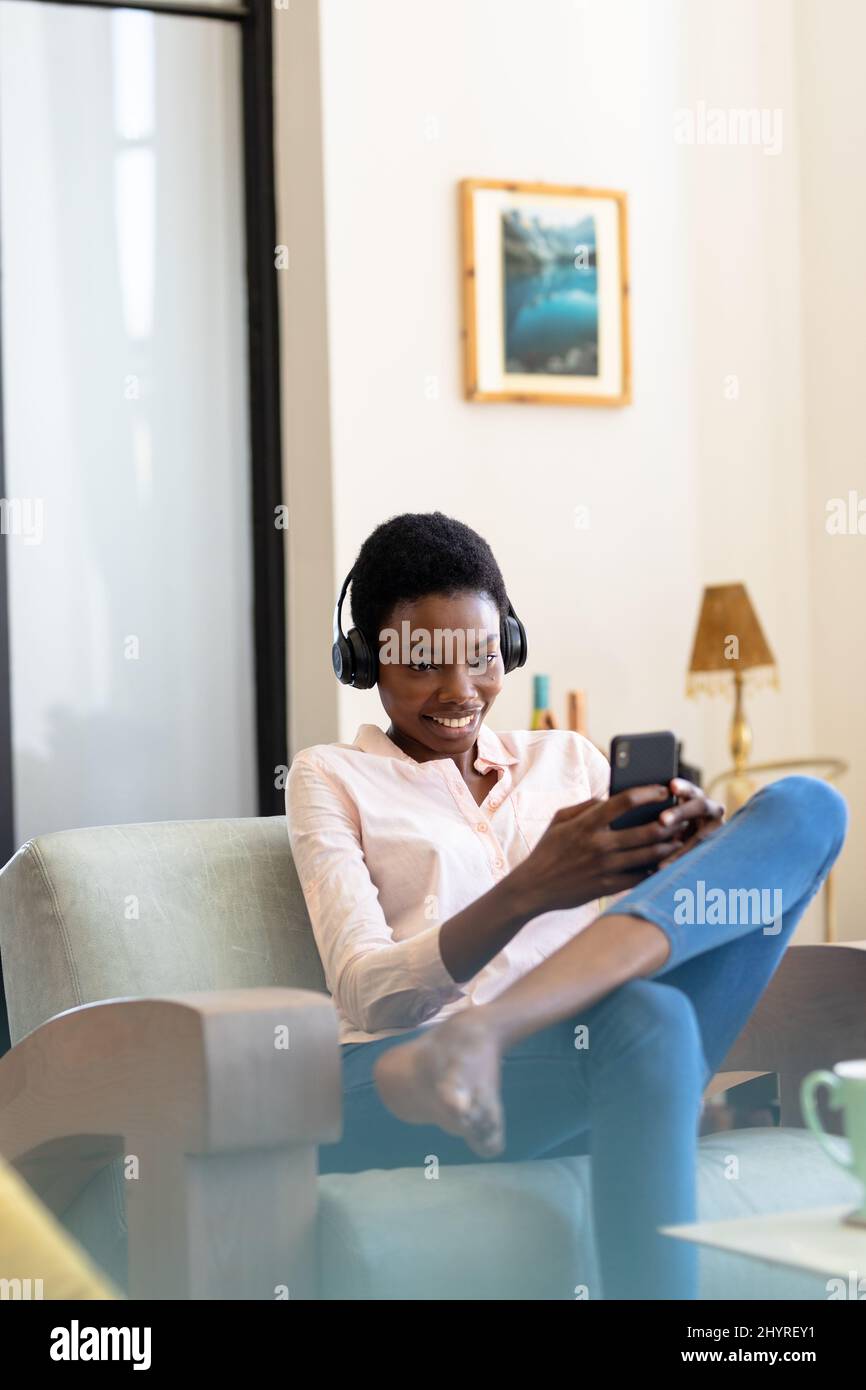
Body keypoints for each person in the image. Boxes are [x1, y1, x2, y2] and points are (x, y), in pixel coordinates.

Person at [286, 511, 847, 1300]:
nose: (458, 692)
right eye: (421, 666)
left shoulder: (568, 760)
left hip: (599, 1057)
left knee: (806, 807)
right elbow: (367, 993)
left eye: (482, 659)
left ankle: (490, 1031)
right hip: (410, 1075)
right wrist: (532, 889)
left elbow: (647, 934)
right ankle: (471, 1042)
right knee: (646, 1021)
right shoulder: (330, 778)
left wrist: (689, 879)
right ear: (363, 662)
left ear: (508, 648)